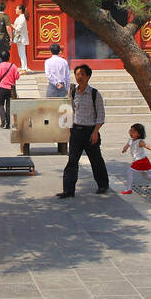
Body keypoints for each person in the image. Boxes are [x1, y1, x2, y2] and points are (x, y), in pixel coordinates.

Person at [58, 64, 110, 198]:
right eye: (77, 74)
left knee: (96, 159)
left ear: (88, 76)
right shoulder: (74, 92)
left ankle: (103, 185)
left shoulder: (94, 94)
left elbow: (101, 115)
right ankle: (68, 190)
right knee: (72, 161)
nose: (79, 77)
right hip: (76, 132)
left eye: (82, 74)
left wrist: (95, 132)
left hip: (90, 131)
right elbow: (70, 110)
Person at [120, 123, 151, 193]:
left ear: (139, 134)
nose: (131, 133)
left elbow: (148, 146)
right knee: (146, 176)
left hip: (140, 160)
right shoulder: (130, 140)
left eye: (134, 132)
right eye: (130, 131)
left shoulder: (140, 142)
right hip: (141, 160)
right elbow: (127, 145)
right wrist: (124, 149)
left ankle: (129, 189)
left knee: (130, 172)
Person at [0, 50, 20, 129]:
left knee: (0, 104)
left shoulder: (0, 66)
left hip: (2, 88)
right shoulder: (13, 66)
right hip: (11, 89)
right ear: (8, 57)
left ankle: (3, 120)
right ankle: (8, 122)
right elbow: (17, 77)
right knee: (8, 105)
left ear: (1, 58)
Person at [12, 5, 32, 72]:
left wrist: (12, 25)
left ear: (20, 10)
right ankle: (23, 67)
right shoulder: (20, 17)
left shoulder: (22, 18)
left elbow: (18, 28)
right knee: (21, 53)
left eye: (16, 8)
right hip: (19, 38)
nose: (15, 10)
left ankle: (24, 68)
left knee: (22, 53)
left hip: (21, 38)